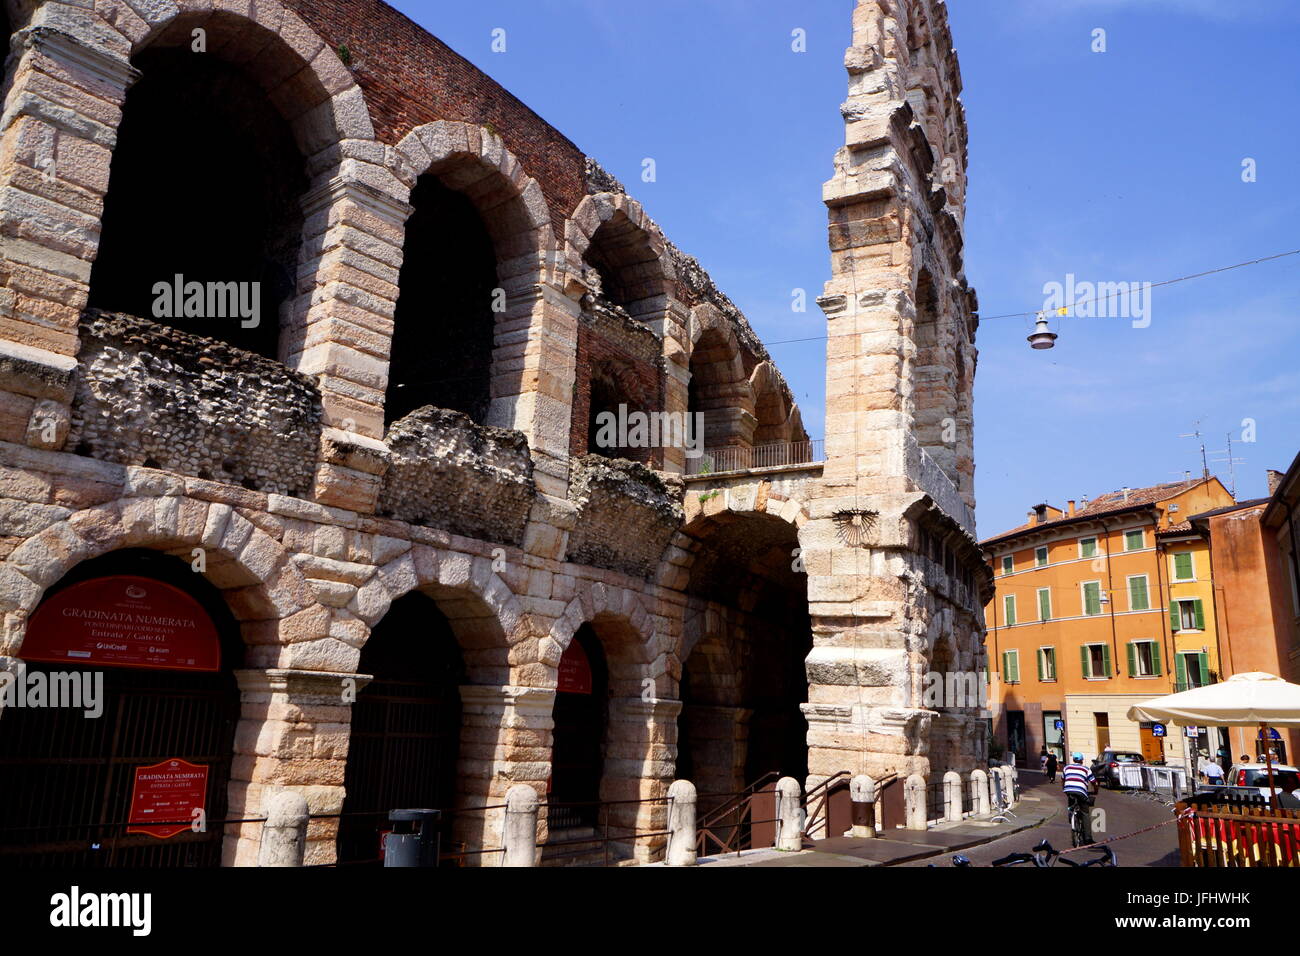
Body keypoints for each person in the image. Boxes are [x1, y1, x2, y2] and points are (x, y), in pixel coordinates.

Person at [1062, 752, 1097, 843]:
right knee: (1085, 813)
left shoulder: (1066, 767)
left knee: (1071, 803)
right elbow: (1093, 782)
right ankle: (1088, 838)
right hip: (1081, 792)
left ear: (1073, 760)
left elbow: (1063, 779)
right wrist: (1096, 791)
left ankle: (1071, 815)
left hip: (1069, 790)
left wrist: (1064, 789)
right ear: (1082, 760)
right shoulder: (1086, 769)